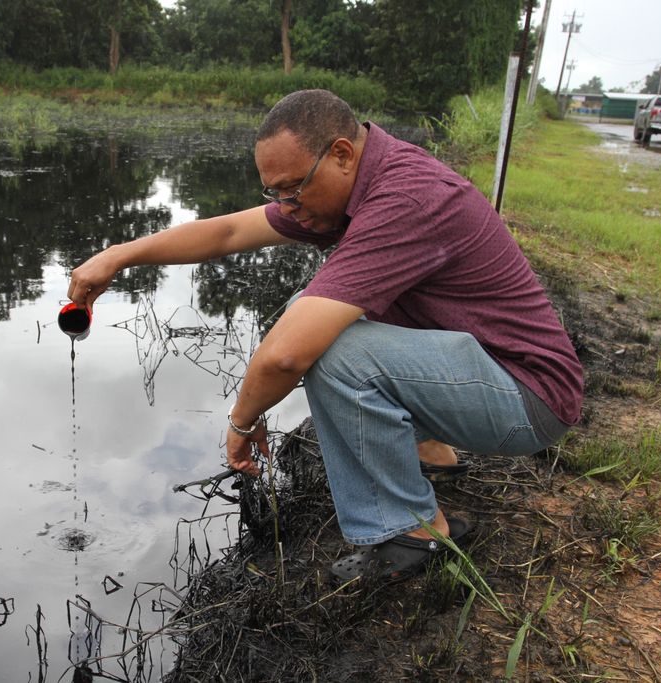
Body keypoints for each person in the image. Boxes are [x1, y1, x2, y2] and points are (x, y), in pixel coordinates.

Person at [67, 90, 583, 583]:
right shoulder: (359, 181)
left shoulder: (404, 198)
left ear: (341, 154)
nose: (286, 205)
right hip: (487, 375)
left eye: (292, 189)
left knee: (329, 348)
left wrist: (242, 421)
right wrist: (118, 255)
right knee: (314, 311)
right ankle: (431, 453)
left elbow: (285, 357)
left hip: (528, 400)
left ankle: (411, 531)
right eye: (274, 193)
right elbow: (229, 232)